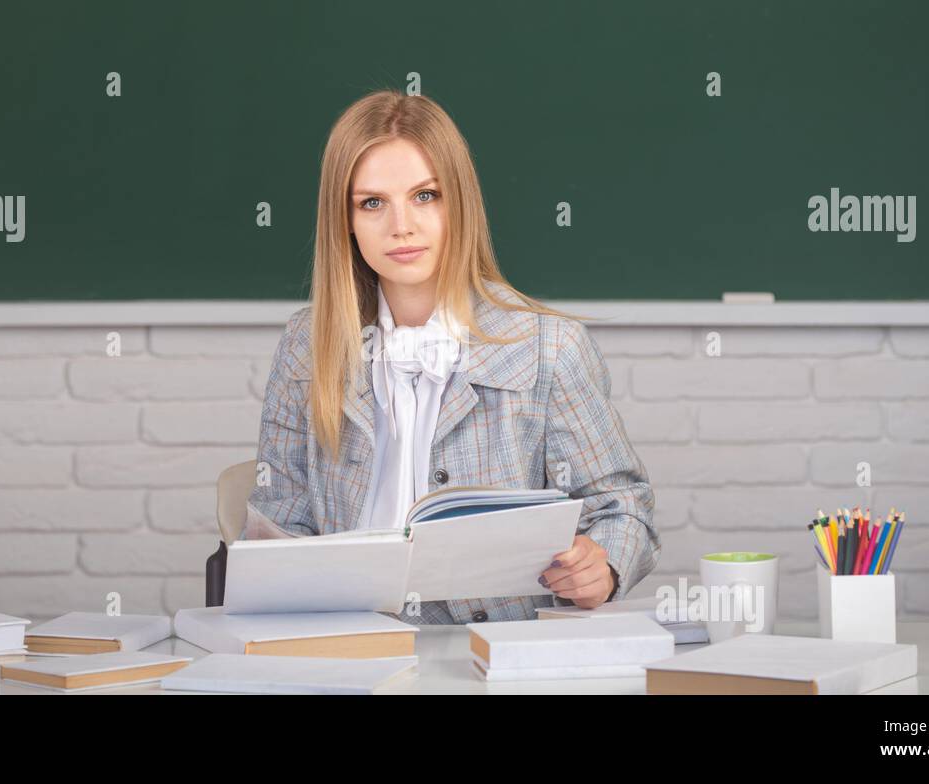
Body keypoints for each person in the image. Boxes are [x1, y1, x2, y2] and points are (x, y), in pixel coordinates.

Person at [245, 89, 658, 624]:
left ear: (458, 201)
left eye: (425, 196)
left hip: (494, 655)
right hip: (350, 646)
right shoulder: (307, 346)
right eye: (372, 202)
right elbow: (281, 521)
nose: (401, 226)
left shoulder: (549, 347)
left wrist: (602, 565)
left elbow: (623, 508)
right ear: (343, 218)